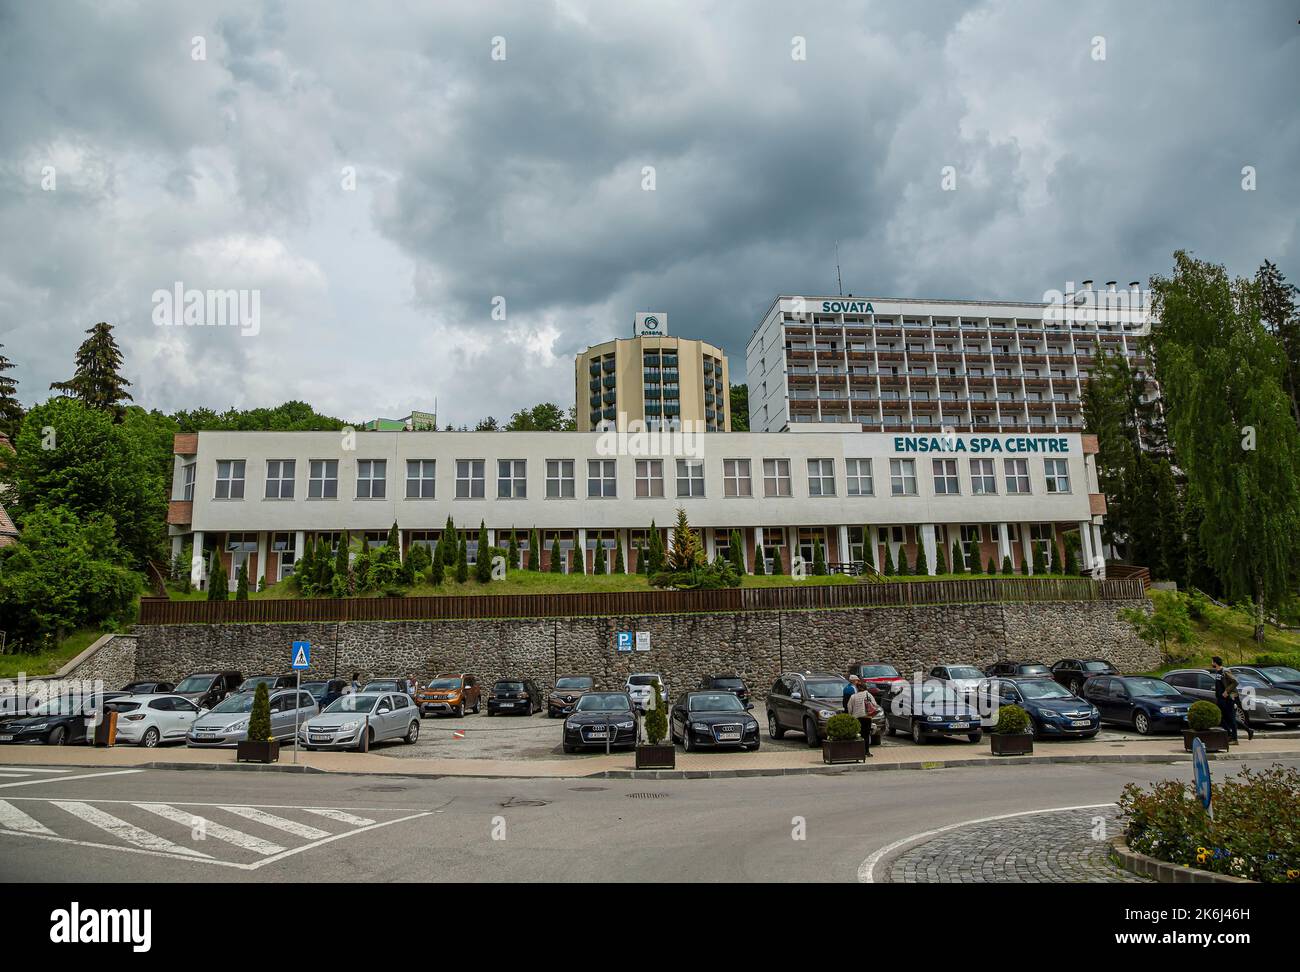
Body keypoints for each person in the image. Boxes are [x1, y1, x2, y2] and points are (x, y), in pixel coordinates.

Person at [1211, 657, 1252, 743]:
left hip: (1228, 699)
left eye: (1212, 661)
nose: (1211, 663)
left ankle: (1234, 738)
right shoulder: (1217, 672)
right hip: (1220, 699)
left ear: (1215, 663)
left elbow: (1235, 681)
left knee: (1231, 718)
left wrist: (1226, 691)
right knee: (1222, 718)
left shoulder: (1224, 671)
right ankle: (1240, 732)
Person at [847, 682, 876, 757]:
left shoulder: (853, 696)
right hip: (867, 717)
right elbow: (874, 704)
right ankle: (866, 752)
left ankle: (857, 751)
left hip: (857, 718)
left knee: (857, 735)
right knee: (866, 735)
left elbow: (849, 707)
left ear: (857, 688)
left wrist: (851, 715)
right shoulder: (868, 695)